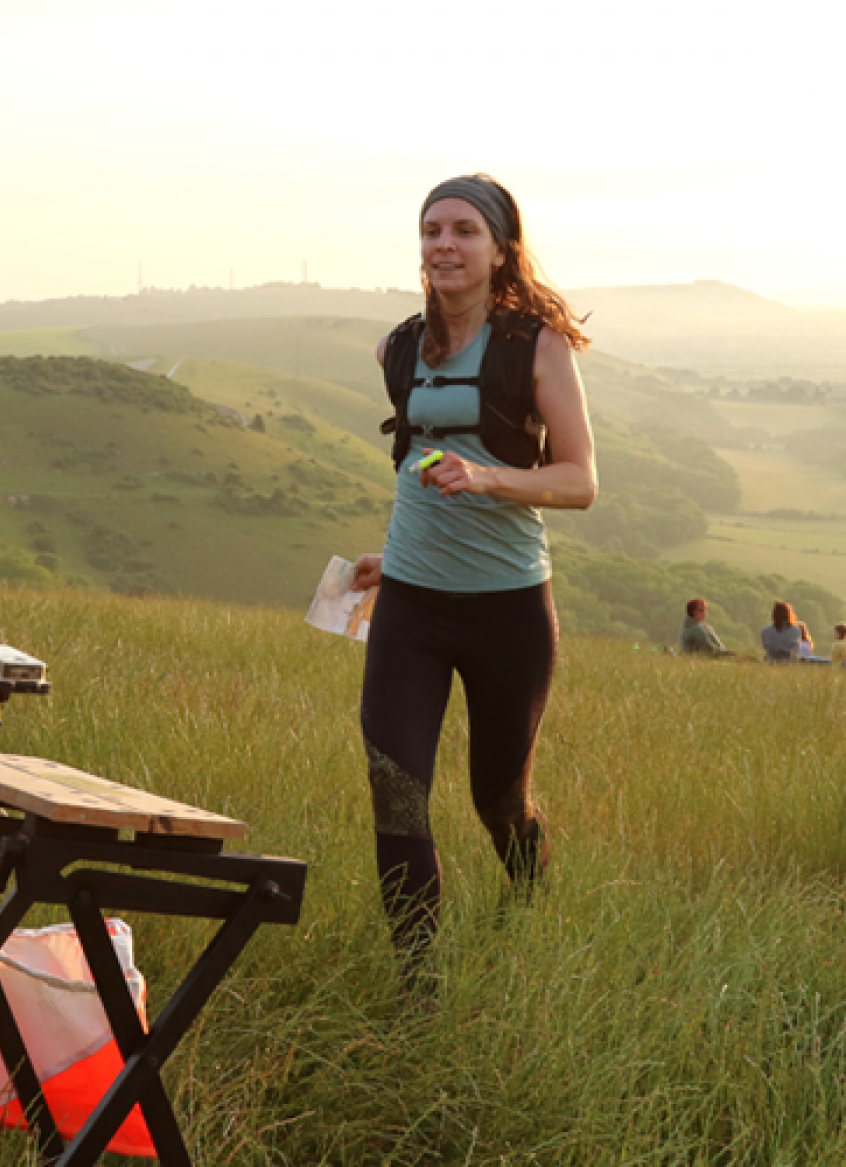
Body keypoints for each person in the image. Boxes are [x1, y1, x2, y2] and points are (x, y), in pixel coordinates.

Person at [351, 174, 596, 989]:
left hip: (509, 610)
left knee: (499, 799)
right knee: (395, 788)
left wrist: (488, 479)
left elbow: (578, 481)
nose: (443, 246)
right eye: (430, 231)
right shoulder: (397, 349)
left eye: (462, 231)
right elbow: (416, 464)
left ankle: (530, 895)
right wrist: (397, 558)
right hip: (413, 602)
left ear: (500, 250)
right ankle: (416, 989)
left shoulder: (536, 347)